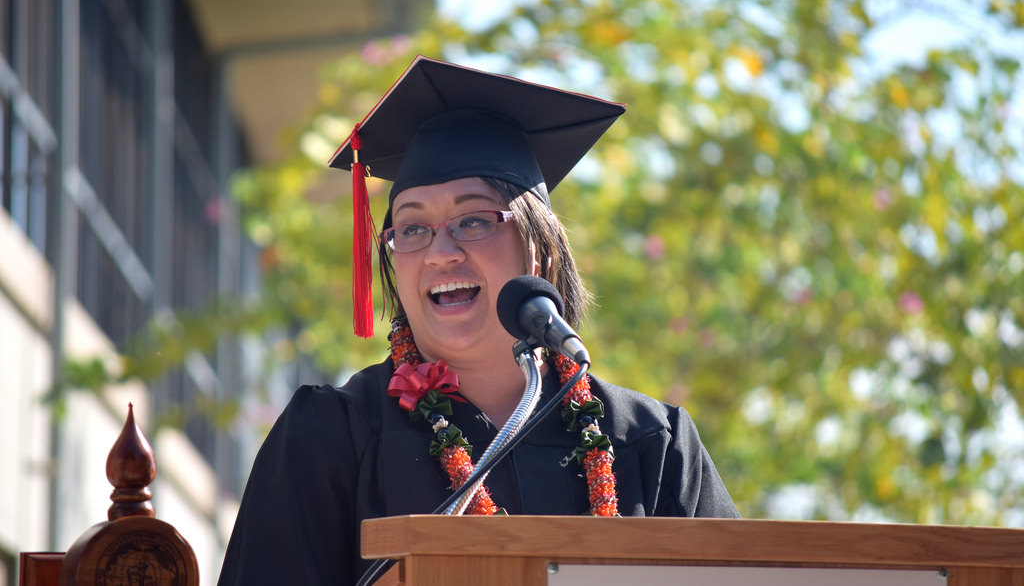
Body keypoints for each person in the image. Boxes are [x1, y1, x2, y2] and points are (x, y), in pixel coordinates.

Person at [217, 56, 739, 585]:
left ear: (542, 248)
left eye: (473, 220)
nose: (440, 252)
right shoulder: (332, 437)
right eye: (412, 228)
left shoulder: (653, 443)